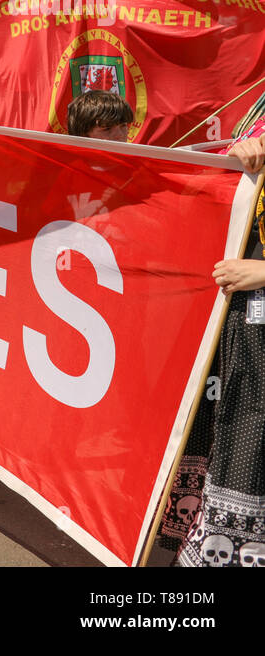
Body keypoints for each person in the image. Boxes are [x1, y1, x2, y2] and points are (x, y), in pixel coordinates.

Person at [155, 124, 265, 566]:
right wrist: (238, 160)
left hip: (253, 298)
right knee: (231, 426)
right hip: (242, 324)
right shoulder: (258, 114)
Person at [66, 90, 133, 141]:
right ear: (83, 135)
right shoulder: (67, 159)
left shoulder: (138, 158)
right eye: (107, 128)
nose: (120, 135)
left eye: (123, 125)